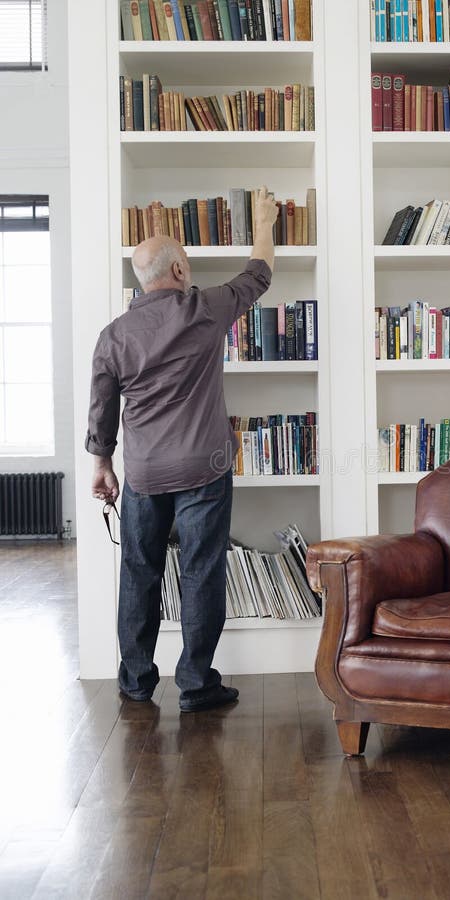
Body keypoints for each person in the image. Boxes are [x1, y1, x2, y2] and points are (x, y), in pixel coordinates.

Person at [85, 186, 278, 712]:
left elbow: (102, 412)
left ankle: (135, 681)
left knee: (139, 573)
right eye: (185, 264)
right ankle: (196, 684)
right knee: (201, 571)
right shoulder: (203, 309)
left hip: (144, 475)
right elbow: (258, 275)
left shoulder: (113, 336)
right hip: (204, 468)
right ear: (176, 272)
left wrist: (102, 465)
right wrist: (263, 222)